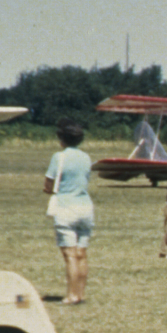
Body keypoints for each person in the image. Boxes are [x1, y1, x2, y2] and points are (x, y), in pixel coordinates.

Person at [43, 118, 95, 305]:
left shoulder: (59, 157)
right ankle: (80, 293)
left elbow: (49, 183)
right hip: (86, 207)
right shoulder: (86, 157)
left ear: (62, 139)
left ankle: (71, 295)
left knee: (70, 255)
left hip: (66, 207)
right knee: (81, 253)